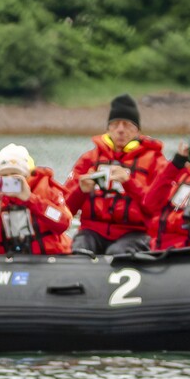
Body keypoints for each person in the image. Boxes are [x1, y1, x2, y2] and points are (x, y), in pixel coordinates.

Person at [65, 93, 164, 257]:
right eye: (115, 124)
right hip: (93, 231)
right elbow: (66, 209)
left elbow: (157, 208)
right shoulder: (89, 159)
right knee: (81, 249)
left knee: (117, 253)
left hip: (135, 233)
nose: (120, 130)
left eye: (127, 125)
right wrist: (80, 190)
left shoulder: (156, 161)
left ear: (136, 130)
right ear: (108, 128)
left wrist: (129, 182)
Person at [0, 144, 73, 256]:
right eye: (4, 176)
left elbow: (64, 222)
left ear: (26, 175)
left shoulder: (47, 191)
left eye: (15, 175)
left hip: (51, 257)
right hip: (14, 259)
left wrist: (30, 200)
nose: (9, 180)